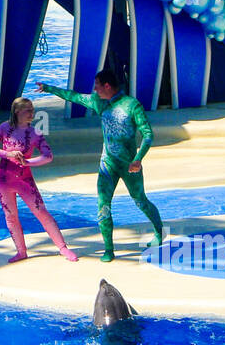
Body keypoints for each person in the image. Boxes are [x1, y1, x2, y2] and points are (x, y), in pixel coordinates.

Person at [37, 69, 163, 263]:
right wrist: (48, 88)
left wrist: (138, 159)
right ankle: (109, 249)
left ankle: (158, 231)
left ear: (107, 86)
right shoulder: (99, 102)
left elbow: (148, 135)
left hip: (130, 165)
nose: (94, 90)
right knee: (103, 206)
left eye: (97, 86)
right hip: (108, 164)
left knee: (140, 201)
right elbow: (74, 97)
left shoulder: (131, 105)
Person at [0, 97, 78, 264]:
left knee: (40, 211)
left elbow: (48, 156)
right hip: (4, 179)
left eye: (33, 111)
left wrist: (28, 162)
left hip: (24, 179)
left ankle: (63, 247)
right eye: (29, 111)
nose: (32, 114)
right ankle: (21, 251)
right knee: (10, 216)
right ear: (18, 111)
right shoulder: (4, 128)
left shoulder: (35, 133)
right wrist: (8, 154)